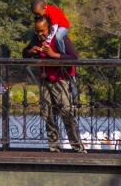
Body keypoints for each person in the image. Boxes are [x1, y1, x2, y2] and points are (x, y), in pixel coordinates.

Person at [24, 13, 85, 153]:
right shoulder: (36, 39)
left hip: (61, 81)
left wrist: (53, 54)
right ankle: (54, 147)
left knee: (66, 113)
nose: (40, 34)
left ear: (49, 28)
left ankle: (78, 147)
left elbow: (74, 58)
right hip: (45, 81)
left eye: (42, 31)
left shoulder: (60, 38)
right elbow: (24, 53)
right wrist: (31, 51)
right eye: (37, 31)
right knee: (48, 115)